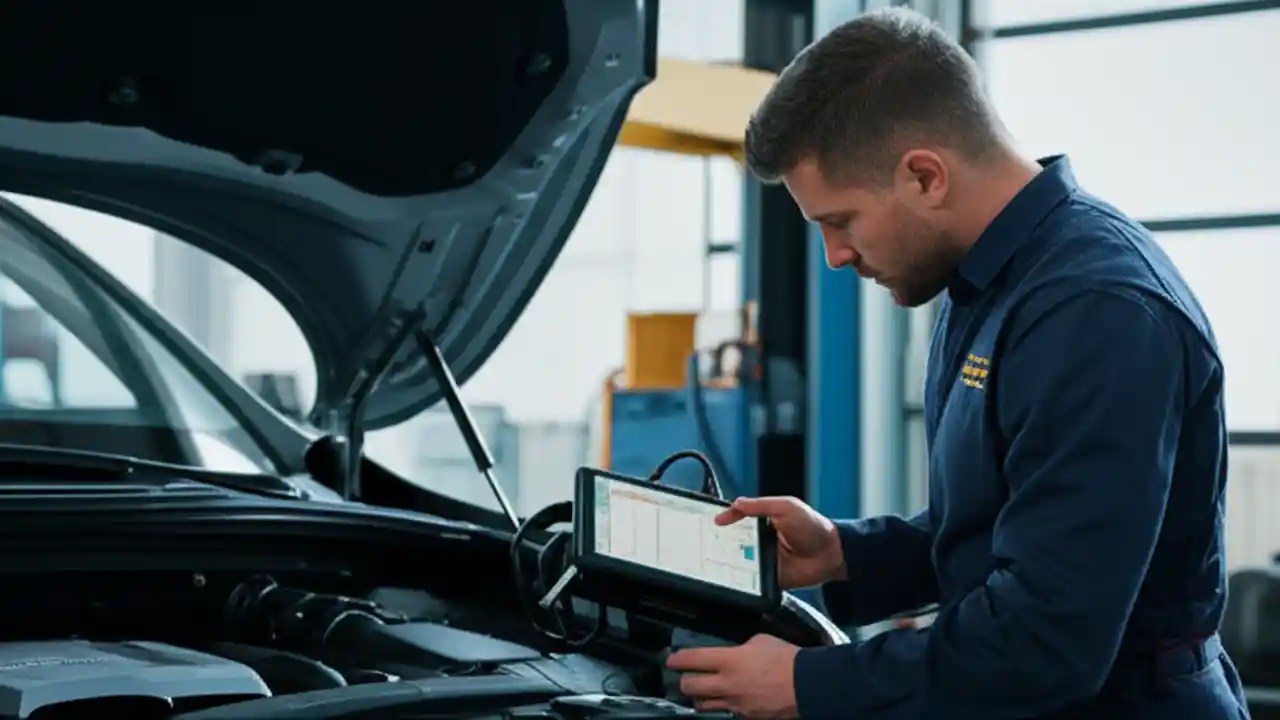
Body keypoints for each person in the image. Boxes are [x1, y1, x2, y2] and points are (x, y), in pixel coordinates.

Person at [666, 7, 1248, 720]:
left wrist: (809, 683)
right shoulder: (989, 283)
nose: (836, 257)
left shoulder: (1095, 311)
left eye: (839, 221)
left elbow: (1045, 638)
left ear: (925, 177)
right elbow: (1010, 531)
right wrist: (846, 553)